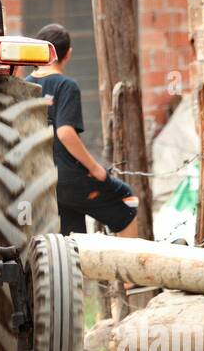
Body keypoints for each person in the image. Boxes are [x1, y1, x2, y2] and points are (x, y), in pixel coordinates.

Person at [28, 23, 139, 237]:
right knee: (127, 203)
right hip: (69, 177)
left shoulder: (24, 84)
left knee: (71, 235)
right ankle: (126, 269)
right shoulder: (66, 86)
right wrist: (95, 168)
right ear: (67, 54)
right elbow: (65, 132)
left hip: (39, 180)